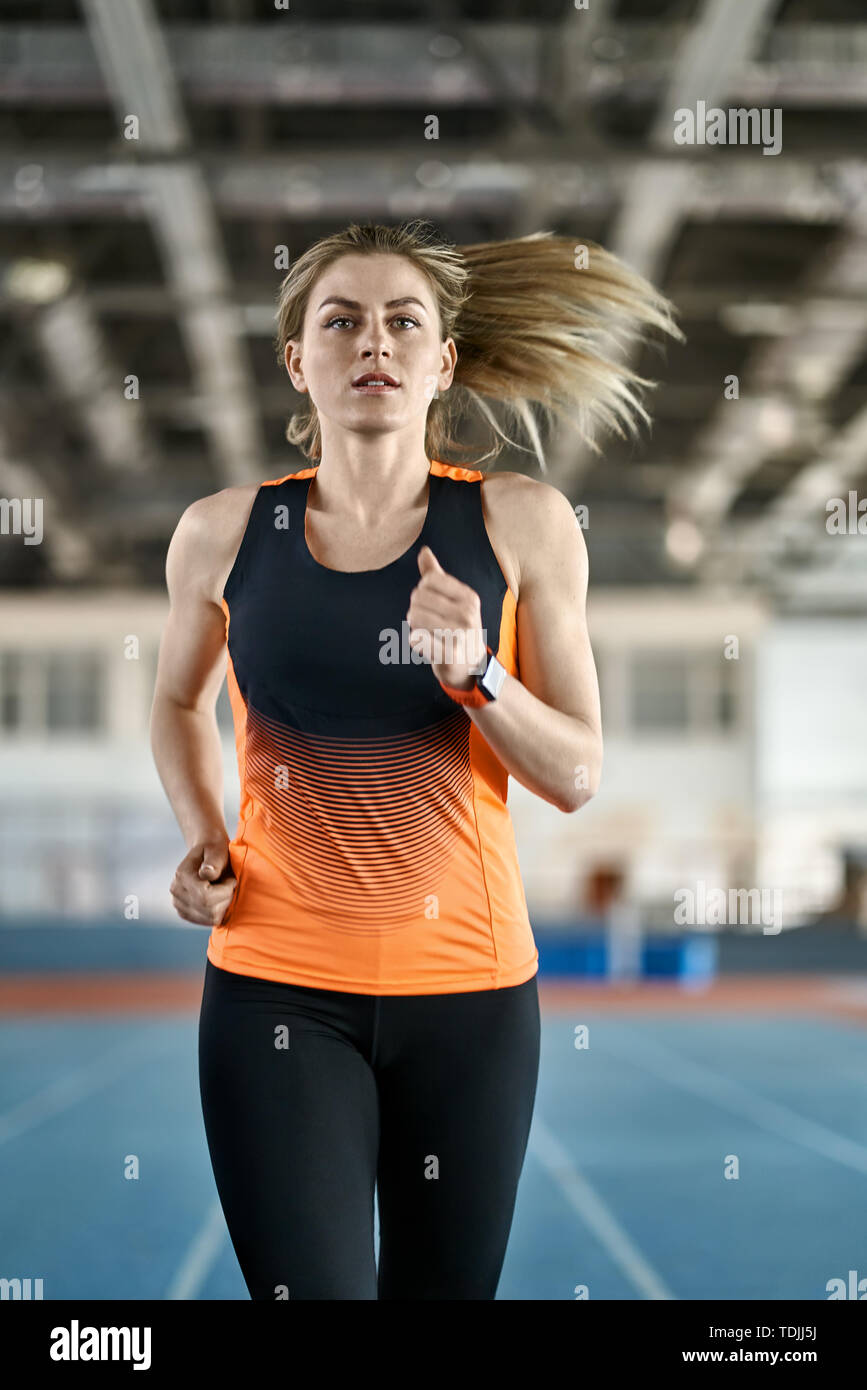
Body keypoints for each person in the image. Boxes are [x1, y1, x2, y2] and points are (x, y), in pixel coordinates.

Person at [149, 218, 681, 1300]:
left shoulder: (521, 525)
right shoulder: (221, 532)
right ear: (298, 359)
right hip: (276, 999)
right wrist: (205, 831)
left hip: (472, 1004)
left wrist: (478, 670)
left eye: (404, 320)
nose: (373, 342)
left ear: (443, 359)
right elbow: (174, 698)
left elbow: (576, 774)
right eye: (340, 320)